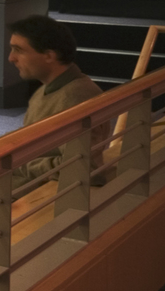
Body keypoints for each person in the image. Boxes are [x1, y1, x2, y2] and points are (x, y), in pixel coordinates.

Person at [6, 16, 103, 190]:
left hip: (31, 193)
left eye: (18, 50)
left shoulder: (75, 98)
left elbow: (84, 167)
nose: (11, 58)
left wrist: (17, 164)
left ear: (49, 56)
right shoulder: (48, 88)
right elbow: (37, 141)